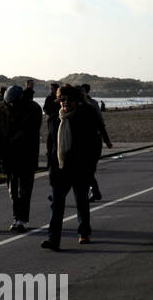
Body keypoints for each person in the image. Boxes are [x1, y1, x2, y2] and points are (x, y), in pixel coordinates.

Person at [42, 85, 99, 249]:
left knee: (81, 201)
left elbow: (94, 145)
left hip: (80, 167)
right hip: (60, 168)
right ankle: (53, 239)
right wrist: (50, 168)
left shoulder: (86, 116)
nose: (65, 103)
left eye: (69, 100)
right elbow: (51, 146)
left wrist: (90, 167)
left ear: (76, 100)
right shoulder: (54, 119)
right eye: (62, 100)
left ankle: (84, 233)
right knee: (57, 204)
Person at [0, 85, 42, 232]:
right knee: (12, 190)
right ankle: (16, 217)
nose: (10, 104)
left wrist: (10, 140)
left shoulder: (33, 108)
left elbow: (30, 131)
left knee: (25, 190)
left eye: (12, 102)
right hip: (8, 156)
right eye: (8, 102)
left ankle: (23, 219)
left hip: (27, 155)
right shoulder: (1, 107)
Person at [81, 83, 113, 201]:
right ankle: (95, 192)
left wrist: (106, 140)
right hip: (88, 143)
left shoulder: (91, 106)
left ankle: (58, 194)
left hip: (92, 142)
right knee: (86, 171)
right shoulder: (75, 107)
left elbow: (100, 122)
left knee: (87, 171)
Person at [42, 82, 60, 171]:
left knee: (56, 144)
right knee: (50, 144)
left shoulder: (61, 98)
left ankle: (56, 163)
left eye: (52, 88)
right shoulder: (49, 98)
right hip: (51, 122)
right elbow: (45, 109)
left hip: (58, 123)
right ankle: (49, 164)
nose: (51, 90)